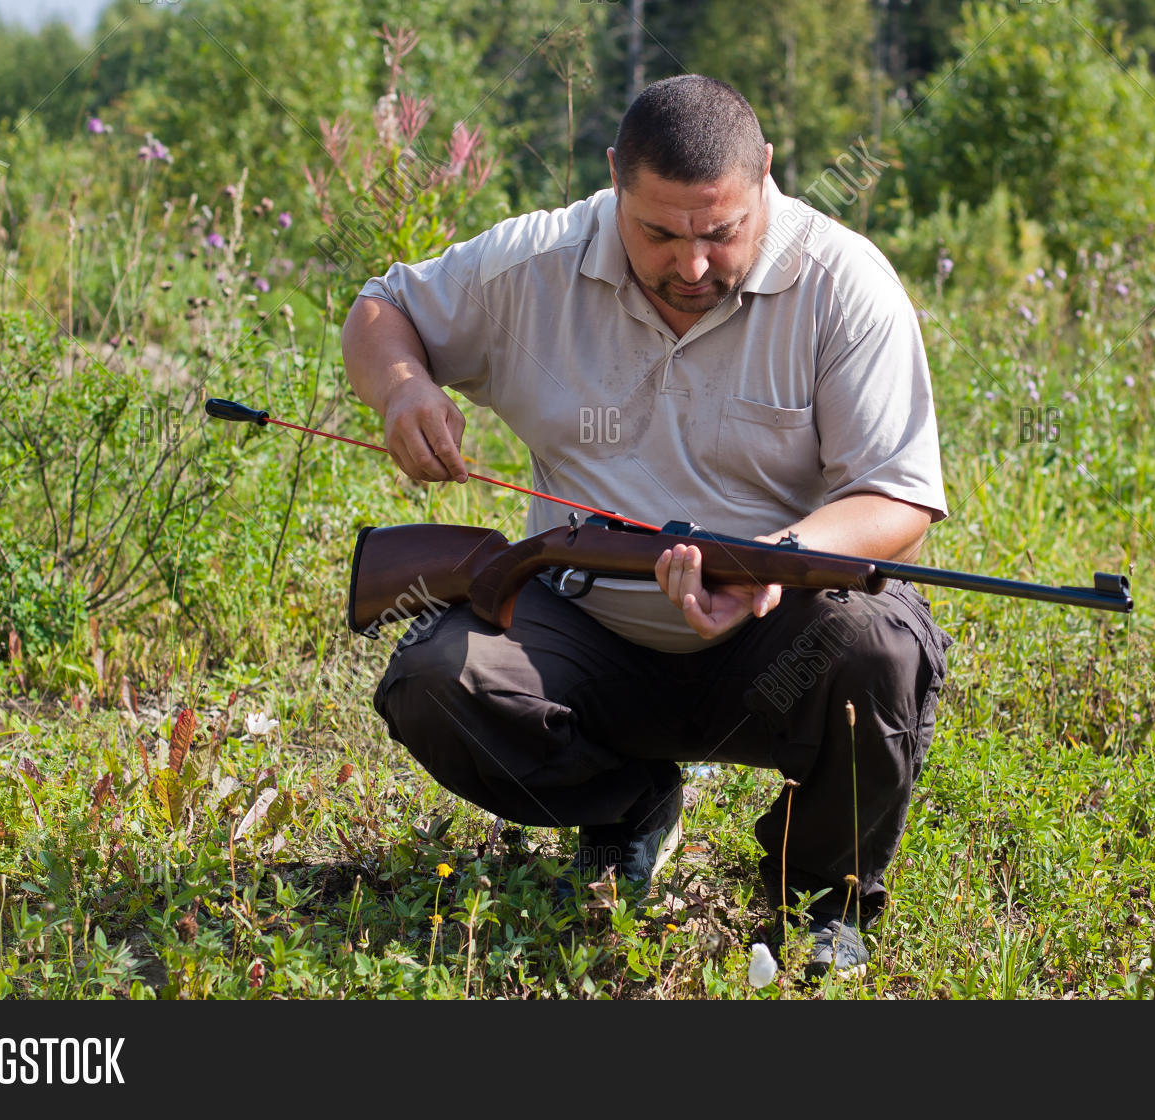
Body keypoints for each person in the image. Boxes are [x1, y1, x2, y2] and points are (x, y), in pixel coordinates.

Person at [341, 75, 950, 980]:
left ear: (766, 179)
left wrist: (776, 563)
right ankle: (627, 807)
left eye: (721, 232)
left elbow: (898, 498)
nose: (692, 264)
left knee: (879, 649)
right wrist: (403, 389)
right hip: (584, 630)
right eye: (660, 233)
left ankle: (821, 898)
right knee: (434, 679)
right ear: (615, 182)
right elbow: (379, 310)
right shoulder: (536, 263)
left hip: (773, 640)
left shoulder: (843, 284)